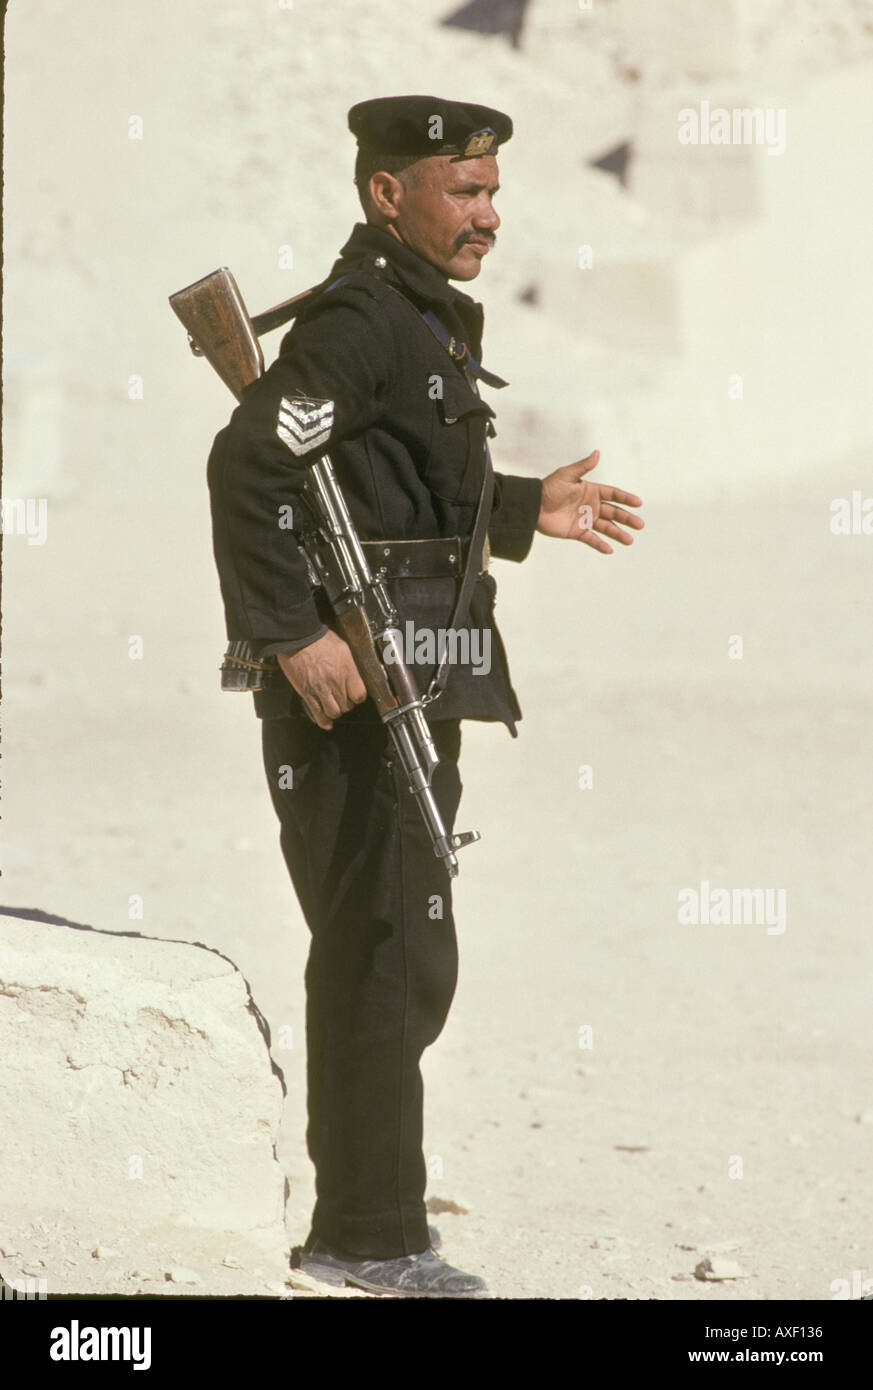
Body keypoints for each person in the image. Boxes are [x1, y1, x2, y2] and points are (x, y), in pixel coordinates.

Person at [206, 94, 644, 1298]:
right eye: (466, 190)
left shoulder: (414, 321)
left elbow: (392, 479)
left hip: (414, 678)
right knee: (383, 950)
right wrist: (291, 636)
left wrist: (518, 508)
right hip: (349, 692)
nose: (489, 216)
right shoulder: (363, 321)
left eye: (495, 193)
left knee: (403, 950)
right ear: (388, 193)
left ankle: (374, 1207)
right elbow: (250, 460)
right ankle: (368, 1236)